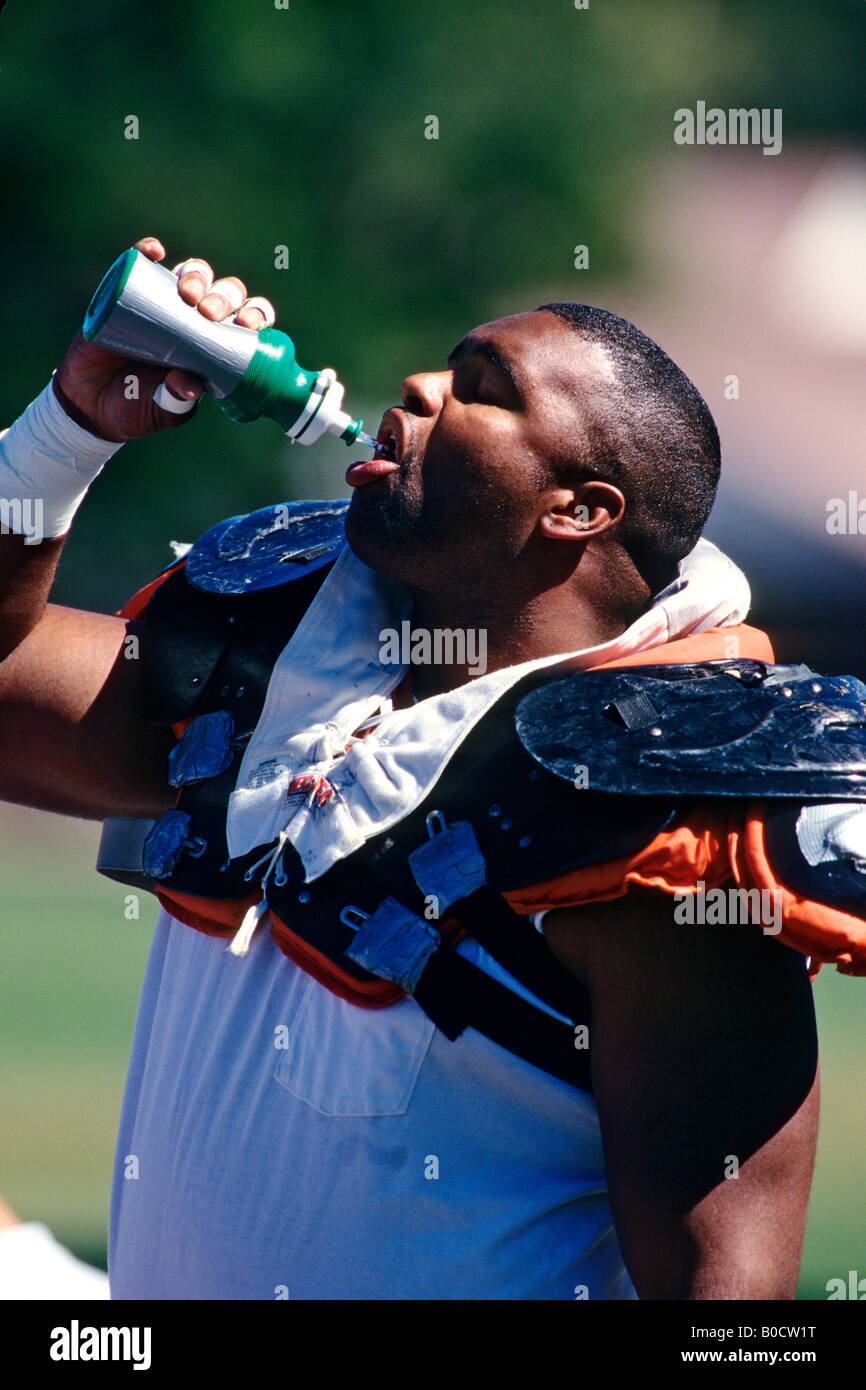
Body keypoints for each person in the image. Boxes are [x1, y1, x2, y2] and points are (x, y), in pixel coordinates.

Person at [0, 236, 862, 1301]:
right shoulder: (271, 664)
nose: (420, 384)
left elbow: (725, 1305)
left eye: (481, 390)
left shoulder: (654, 821)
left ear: (578, 509)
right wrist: (68, 424)